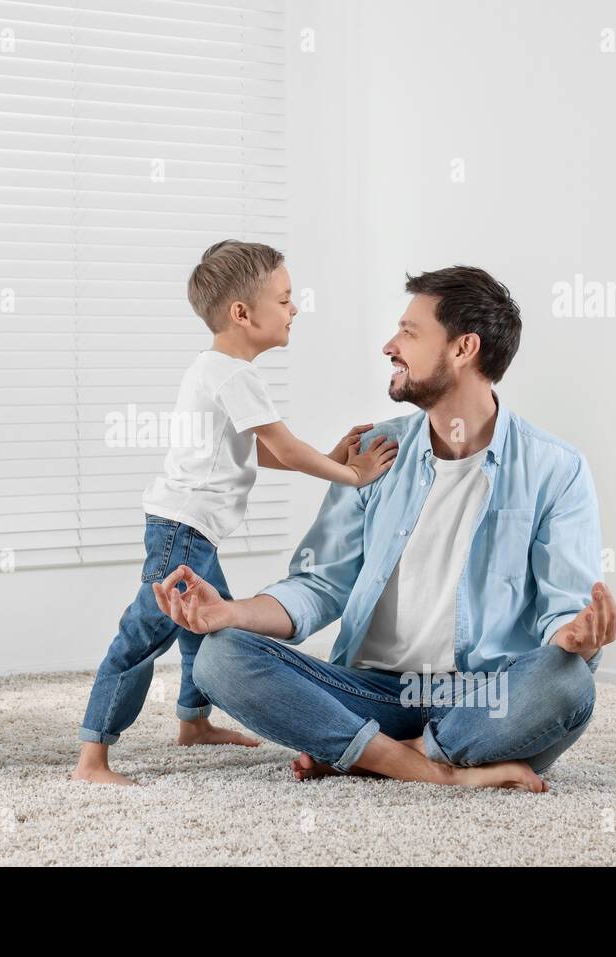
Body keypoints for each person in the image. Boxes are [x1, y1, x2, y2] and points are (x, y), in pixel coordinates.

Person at [153, 266, 616, 791]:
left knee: (567, 684)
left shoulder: (556, 468)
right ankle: (437, 770)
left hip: (482, 697)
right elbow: (319, 584)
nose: (389, 346)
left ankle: (368, 751)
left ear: (464, 348)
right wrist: (231, 612)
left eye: (409, 332)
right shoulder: (376, 453)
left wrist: (576, 637)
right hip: (372, 690)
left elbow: (565, 614)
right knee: (220, 657)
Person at [72, 240, 399, 785]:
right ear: (242, 314)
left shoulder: (215, 370)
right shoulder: (234, 374)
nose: (295, 309)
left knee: (208, 623)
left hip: (190, 531)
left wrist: (332, 456)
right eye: (285, 299)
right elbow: (285, 448)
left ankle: (193, 722)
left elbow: (262, 451)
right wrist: (353, 475)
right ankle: (92, 758)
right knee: (143, 636)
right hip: (182, 533)